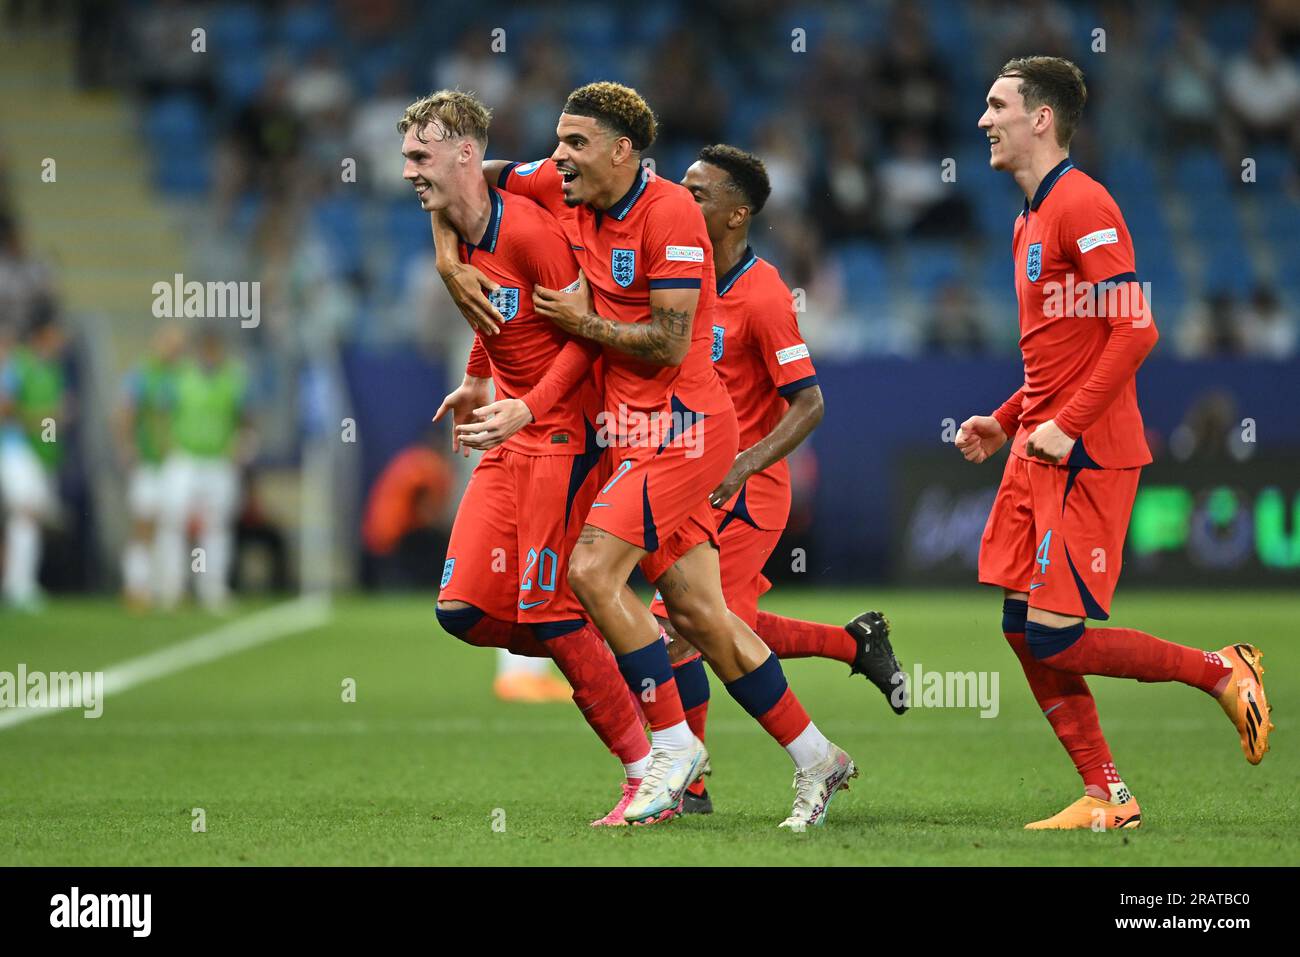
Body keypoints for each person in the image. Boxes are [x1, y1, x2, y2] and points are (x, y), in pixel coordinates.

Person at [436, 83, 856, 829]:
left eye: (576, 143)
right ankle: (818, 756)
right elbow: (461, 186)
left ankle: (670, 747)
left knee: (592, 570)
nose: (557, 157)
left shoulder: (671, 218)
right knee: (700, 614)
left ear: (623, 151)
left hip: (686, 429)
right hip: (630, 428)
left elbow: (666, 343)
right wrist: (446, 255)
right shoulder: (556, 183)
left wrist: (584, 321)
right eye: (558, 142)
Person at [957, 56, 1273, 831]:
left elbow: (1136, 327)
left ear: (1042, 119)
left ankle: (1219, 669)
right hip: (1039, 443)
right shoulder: (1028, 219)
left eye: (997, 105)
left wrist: (1066, 425)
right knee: (1020, 625)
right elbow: (1056, 352)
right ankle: (1108, 792)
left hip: (1085, 451)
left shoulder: (1084, 203)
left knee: (1056, 634)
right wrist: (1009, 417)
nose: (982, 120)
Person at [401, 90, 652, 825]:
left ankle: (649, 767)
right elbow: (497, 305)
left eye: (421, 156)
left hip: (565, 432)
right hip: (511, 429)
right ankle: (617, 629)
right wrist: (480, 375)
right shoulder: (458, 216)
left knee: (548, 607)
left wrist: (526, 406)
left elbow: (582, 333)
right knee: (463, 609)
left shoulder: (536, 212)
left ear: (466, 155)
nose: (409, 170)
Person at [654, 144, 907, 814]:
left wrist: (744, 462)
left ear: (737, 213)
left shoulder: (764, 293)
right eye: (681, 187)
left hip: (744, 490)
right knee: (707, 623)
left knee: (690, 627)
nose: (684, 199)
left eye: (699, 192)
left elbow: (811, 402)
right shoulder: (680, 273)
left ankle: (704, 782)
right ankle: (855, 643)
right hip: (687, 480)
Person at [155, 328, 251, 612]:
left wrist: (242, 443)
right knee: (173, 521)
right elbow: (161, 412)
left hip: (218, 460)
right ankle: (172, 586)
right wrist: (165, 444)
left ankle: (212, 586)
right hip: (185, 457)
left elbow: (244, 416)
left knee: (216, 525)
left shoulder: (233, 379)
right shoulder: (180, 377)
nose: (210, 356)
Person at [0, 314, 69, 611]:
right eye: (55, 337)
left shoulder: (53, 370)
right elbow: (5, 409)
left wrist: (52, 435)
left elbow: (54, 419)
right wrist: (43, 419)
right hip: (15, 448)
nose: (61, 343)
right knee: (25, 510)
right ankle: (19, 585)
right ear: (41, 337)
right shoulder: (19, 365)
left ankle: (21, 582)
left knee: (31, 517)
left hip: (40, 455)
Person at [116, 324, 184, 609]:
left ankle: (168, 587)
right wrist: (126, 446)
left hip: (174, 461)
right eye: (170, 344)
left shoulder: (182, 376)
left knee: (170, 522)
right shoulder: (141, 374)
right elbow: (125, 412)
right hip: (147, 459)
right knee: (144, 521)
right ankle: (136, 584)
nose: (174, 350)